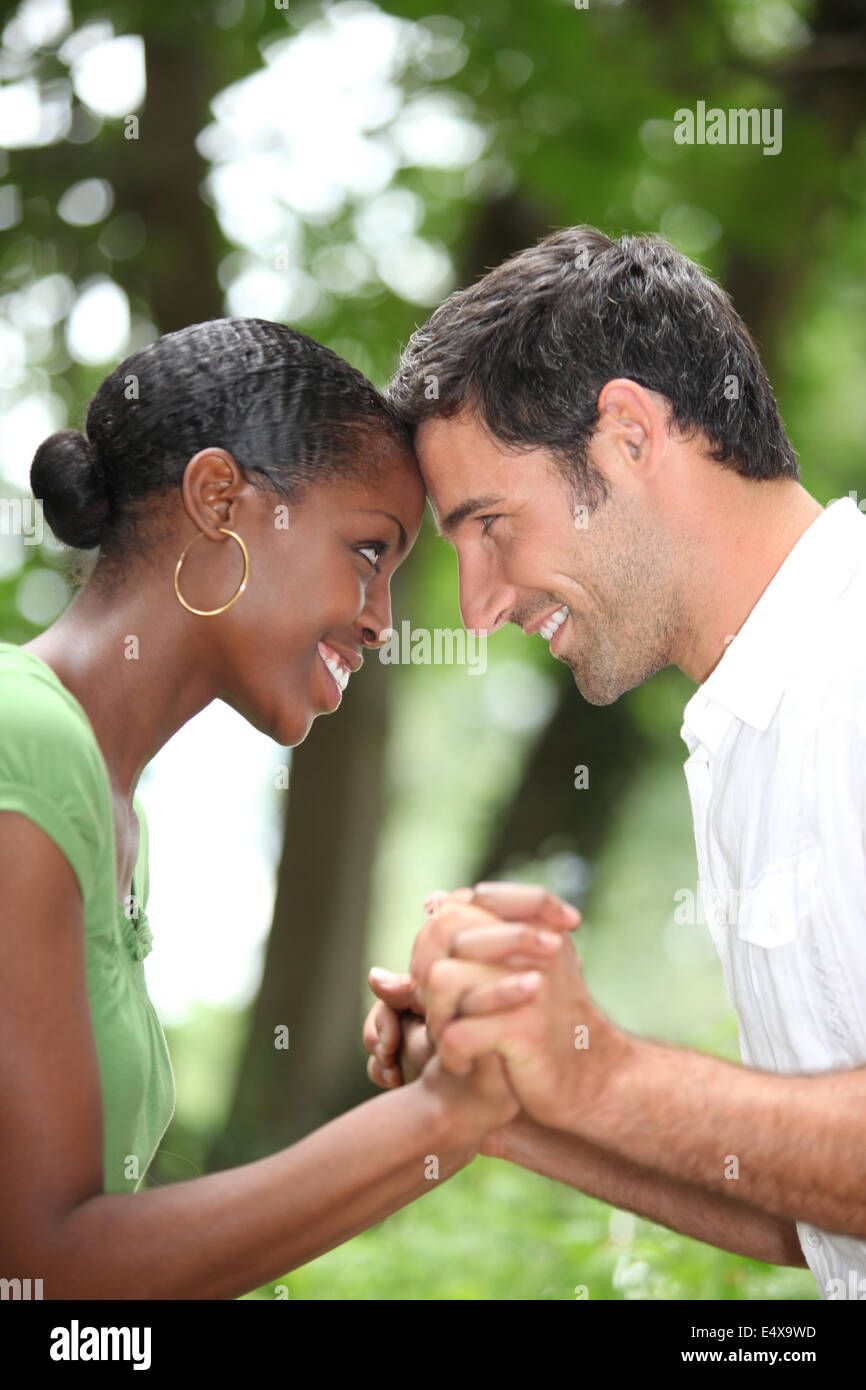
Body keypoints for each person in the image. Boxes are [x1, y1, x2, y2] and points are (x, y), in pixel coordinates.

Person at [364, 225, 866, 1298]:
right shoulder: (740, 730)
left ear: (628, 435)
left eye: (491, 524)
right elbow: (813, 1208)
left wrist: (603, 1064)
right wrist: (507, 1100)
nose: (479, 604)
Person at [0, 316, 524, 1300]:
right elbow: (46, 1270)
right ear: (218, 500)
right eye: (368, 553)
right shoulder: (21, 745)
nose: (378, 619)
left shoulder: (109, 807)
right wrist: (443, 1117)